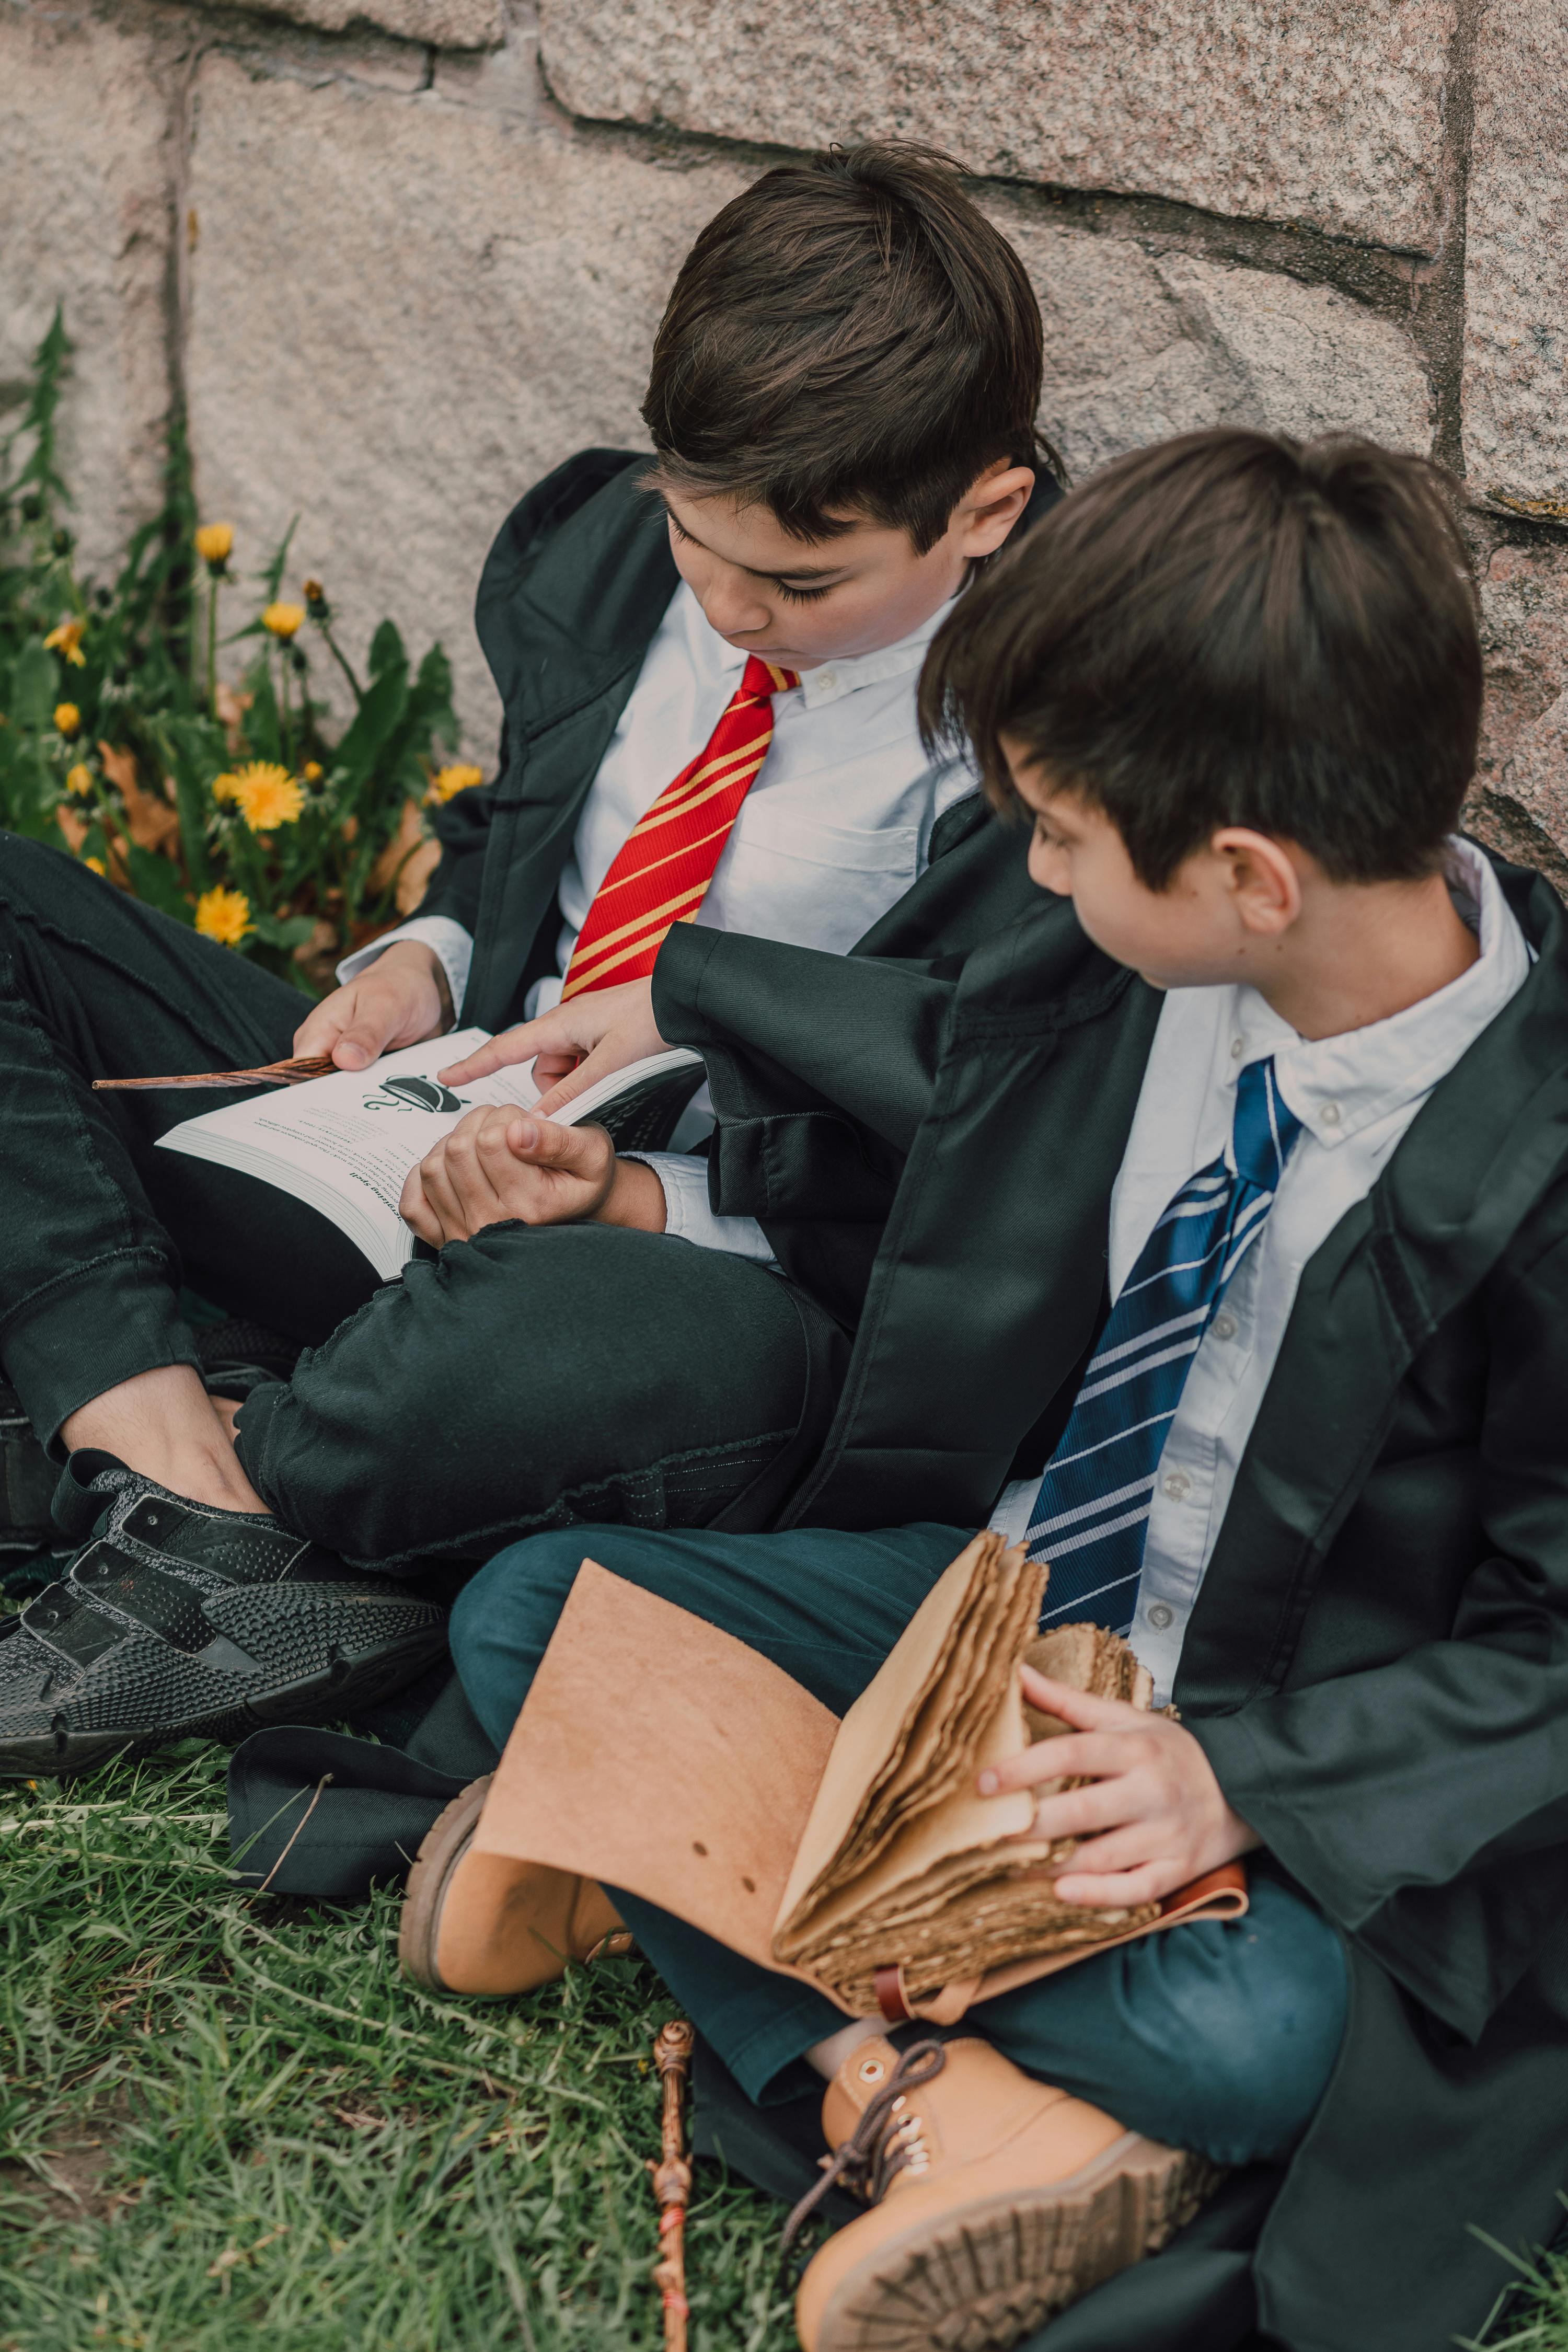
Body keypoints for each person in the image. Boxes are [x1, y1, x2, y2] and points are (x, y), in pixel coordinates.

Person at [419, 429, 1568, 2352]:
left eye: (1051, 835)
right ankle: (917, 2093)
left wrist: (1239, 1783)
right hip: (1005, 1617)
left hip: (1272, 1729)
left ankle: (674, 1859)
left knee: (1261, 2043)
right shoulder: (1145, 965)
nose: (1021, 870)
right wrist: (634, 1155)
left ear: (1247, 875)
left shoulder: (1531, 1175)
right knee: (536, 1608)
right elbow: (932, 1109)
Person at [0, 143, 1062, 1772]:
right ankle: (176, 1436)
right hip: (419, 1119)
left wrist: (634, 1193)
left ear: (983, 509)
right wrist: (423, 957)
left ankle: (166, 1437)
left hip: (702, 1260)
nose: (725, 603)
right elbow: (520, 833)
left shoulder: (1046, 744)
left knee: (556, 1357)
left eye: (796, 582)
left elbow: (976, 1141)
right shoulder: (625, 561)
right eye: (696, 540)